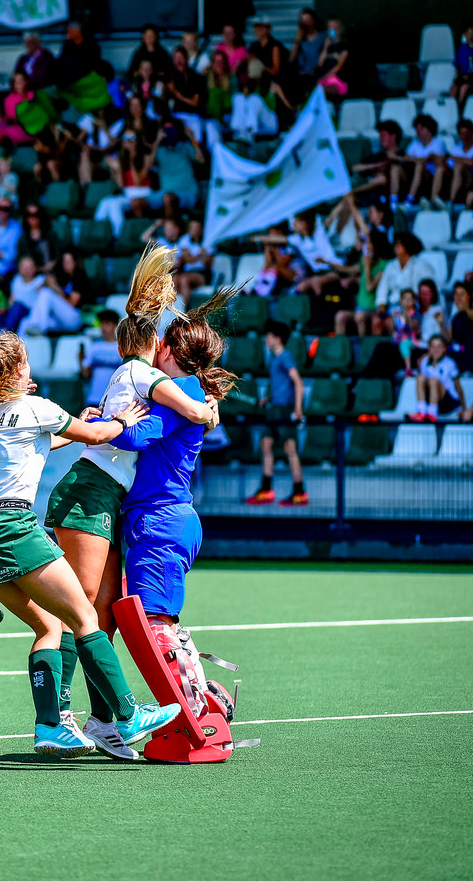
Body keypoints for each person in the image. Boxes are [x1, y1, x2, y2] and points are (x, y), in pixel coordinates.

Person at [0, 333, 181, 758]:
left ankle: (50, 727)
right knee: (84, 616)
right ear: (19, 368)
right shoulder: (38, 407)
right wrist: (123, 420)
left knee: (47, 627)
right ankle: (128, 715)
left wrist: (77, 426)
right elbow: (100, 436)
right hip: (12, 527)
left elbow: (37, 442)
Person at [44, 248, 214, 755]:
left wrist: (104, 424)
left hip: (149, 516)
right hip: (128, 508)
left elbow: (137, 436)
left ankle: (159, 721)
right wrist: (106, 421)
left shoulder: (168, 387)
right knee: (97, 615)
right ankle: (84, 719)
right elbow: (136, 433)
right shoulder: (164, 386)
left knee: (127, 621)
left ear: (169, 350)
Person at [108, 295, 240, 720]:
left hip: (160, 520)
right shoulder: (188, 393)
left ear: (167, 350)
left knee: (155, 628)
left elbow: (134, 437)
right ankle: (200, 700)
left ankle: (200, 717)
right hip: (165, 518)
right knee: (154, 623)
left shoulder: (180, 392)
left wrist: (95, 423)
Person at [246, 321, 305, 507]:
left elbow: (298, 382)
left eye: (269, 336)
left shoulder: (285, 356)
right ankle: (266, 490)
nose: (266, 339)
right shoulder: (274, 359)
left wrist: (297, 410)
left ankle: (299, 492)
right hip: (274, 409)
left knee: (290, 448)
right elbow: (281, 384)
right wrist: (268, 398)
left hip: (285, 410)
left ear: (277, 338)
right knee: (266, 444)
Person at [409, 335, 464, 422]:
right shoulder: (424, 362)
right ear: (429, 349)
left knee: (433, 380)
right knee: (420, 378)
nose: (436, 350)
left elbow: (458, 386)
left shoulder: (450, 363)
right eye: (433, 346)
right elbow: (423, 384)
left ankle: (432, 414)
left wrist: (463, 406)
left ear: (444, 349)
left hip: (447, 402)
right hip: (430, 399)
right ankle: (421, 412)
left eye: (439, 346)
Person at [403, 115, 448, 208]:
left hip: (437, 178)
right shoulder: (414, 143)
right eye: (417, 129)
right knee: (419, 166)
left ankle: (434, 199)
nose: (418, 131)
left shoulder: (438, 142)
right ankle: (409, 200)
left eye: (421, 128)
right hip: (422, 177)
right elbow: (406, 158)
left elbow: (437, 159)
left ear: (429, 129)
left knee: (422, 166)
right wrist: (424, 159)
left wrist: (418, 160)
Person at [80, 309, 122, 405]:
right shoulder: (94, 347)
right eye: (102, 324)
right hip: (93, 400)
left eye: (107, 323)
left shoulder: (123, 348)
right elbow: (86, 374)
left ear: (116, 326)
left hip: (114, 401)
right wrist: (80, 361)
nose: (103, 327)